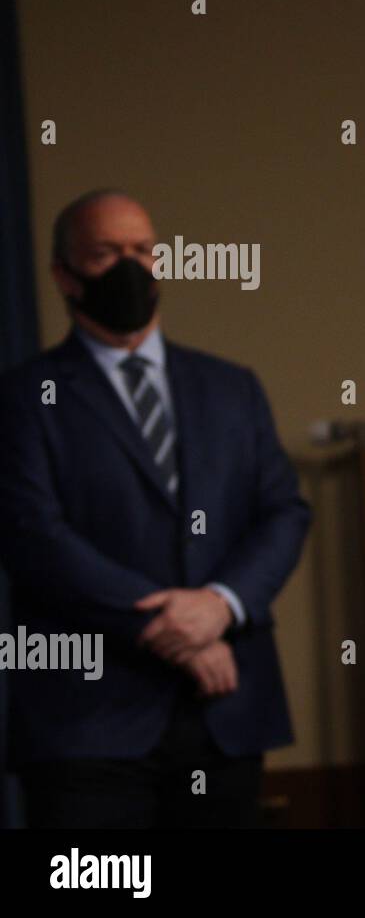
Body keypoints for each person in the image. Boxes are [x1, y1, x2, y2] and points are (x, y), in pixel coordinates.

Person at [0, 189, 311, 827]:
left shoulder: (231, 387)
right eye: (106, 253)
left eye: (142, 250)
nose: (130, 266)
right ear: (64, 274)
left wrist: (219, 604)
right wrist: (177, 633)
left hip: (225, 715)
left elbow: (282, 513)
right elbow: (34, 537)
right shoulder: (25, 398)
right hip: (86, 724)